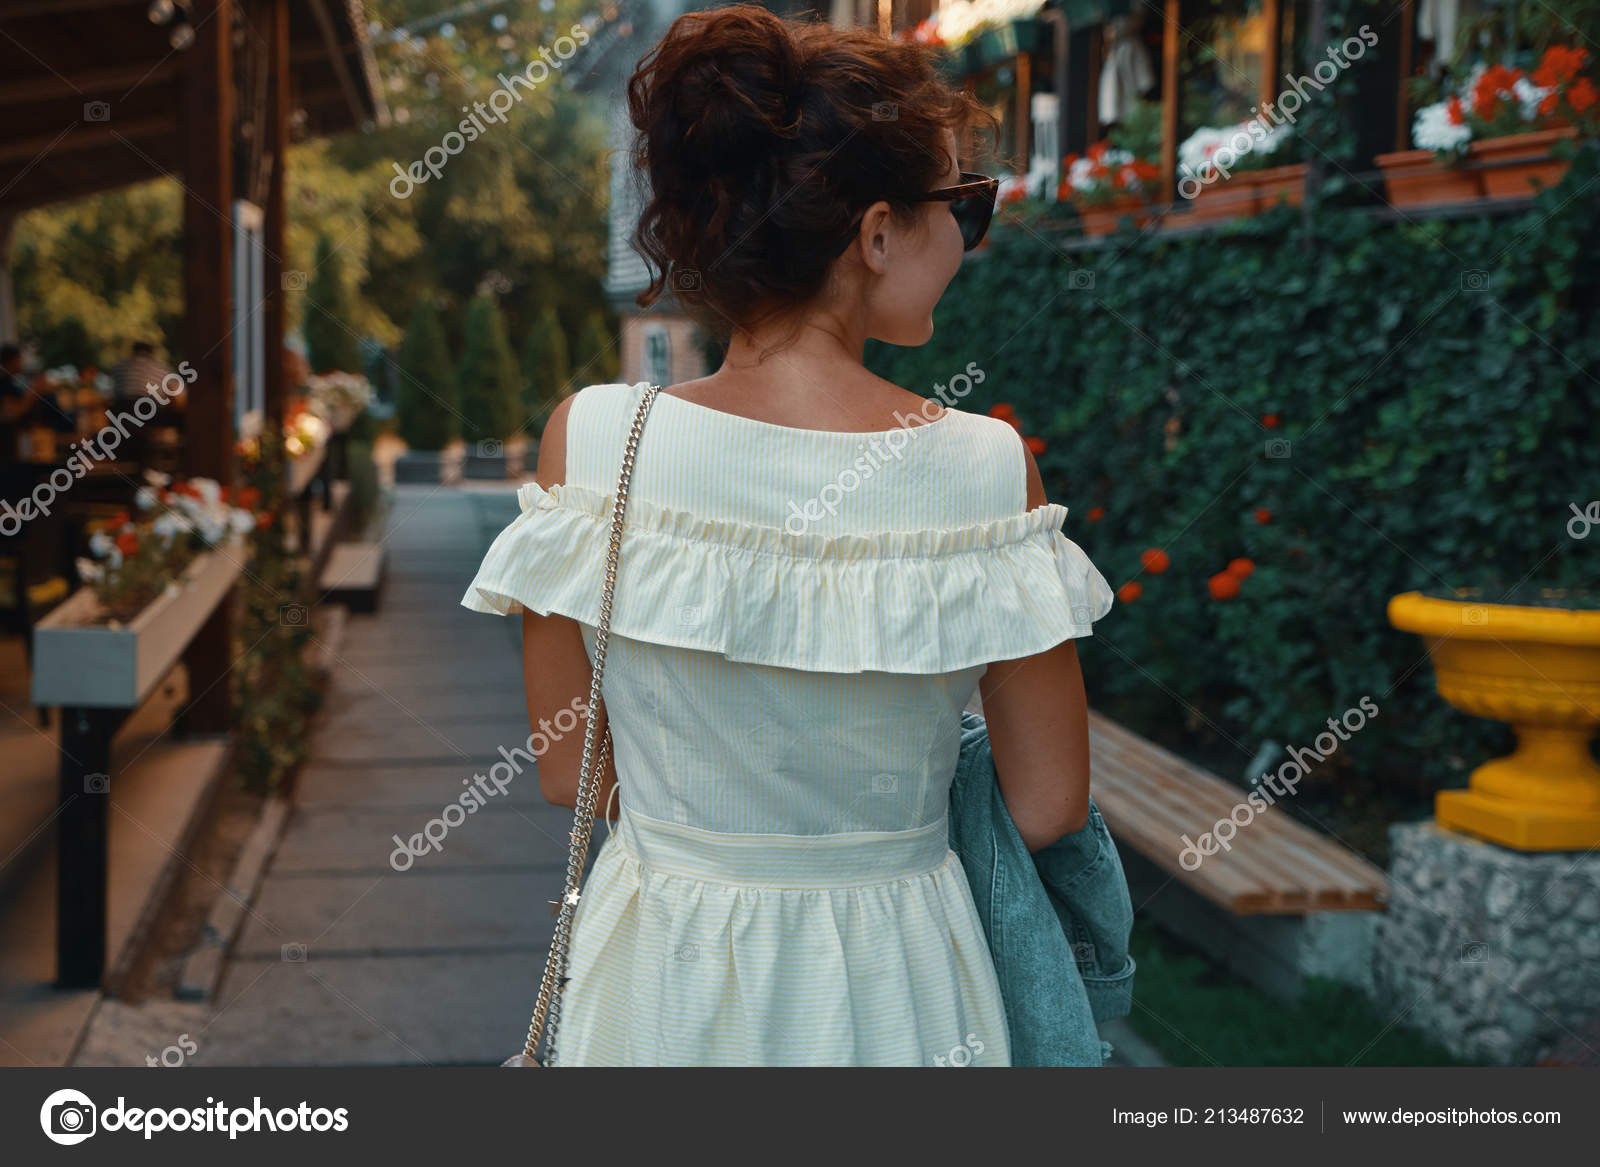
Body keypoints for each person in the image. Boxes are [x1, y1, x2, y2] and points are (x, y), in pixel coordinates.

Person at [461, 5, 1114, 1067]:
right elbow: (1046, 804)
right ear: (875, 233)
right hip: (903, 968)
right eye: (965, 205)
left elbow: (567, 766)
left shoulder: (593, 441)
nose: (969, 234)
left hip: (661, 961)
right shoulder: (983, 467)